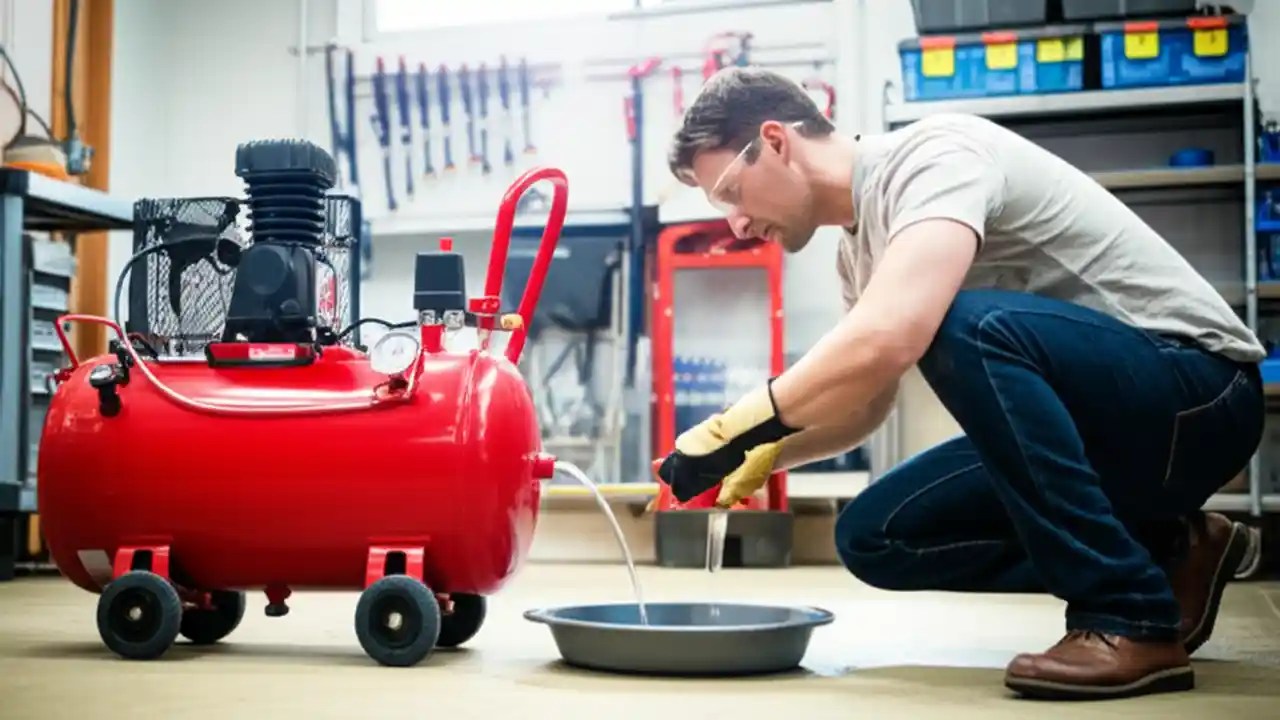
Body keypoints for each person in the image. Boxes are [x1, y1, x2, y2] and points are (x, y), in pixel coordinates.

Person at [655, 66, 1264, 701]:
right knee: (874, 535)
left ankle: (1126, 613)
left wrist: (738, 424)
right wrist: (758, 456)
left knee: (963, 323)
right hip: (1105, 436)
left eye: (731, 192)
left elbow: (891, 336)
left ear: (776, 141)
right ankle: (1172, 549)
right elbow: (864, 403)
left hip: (1200, 397)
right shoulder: (858, 254)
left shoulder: (935, 155)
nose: (736, 224)